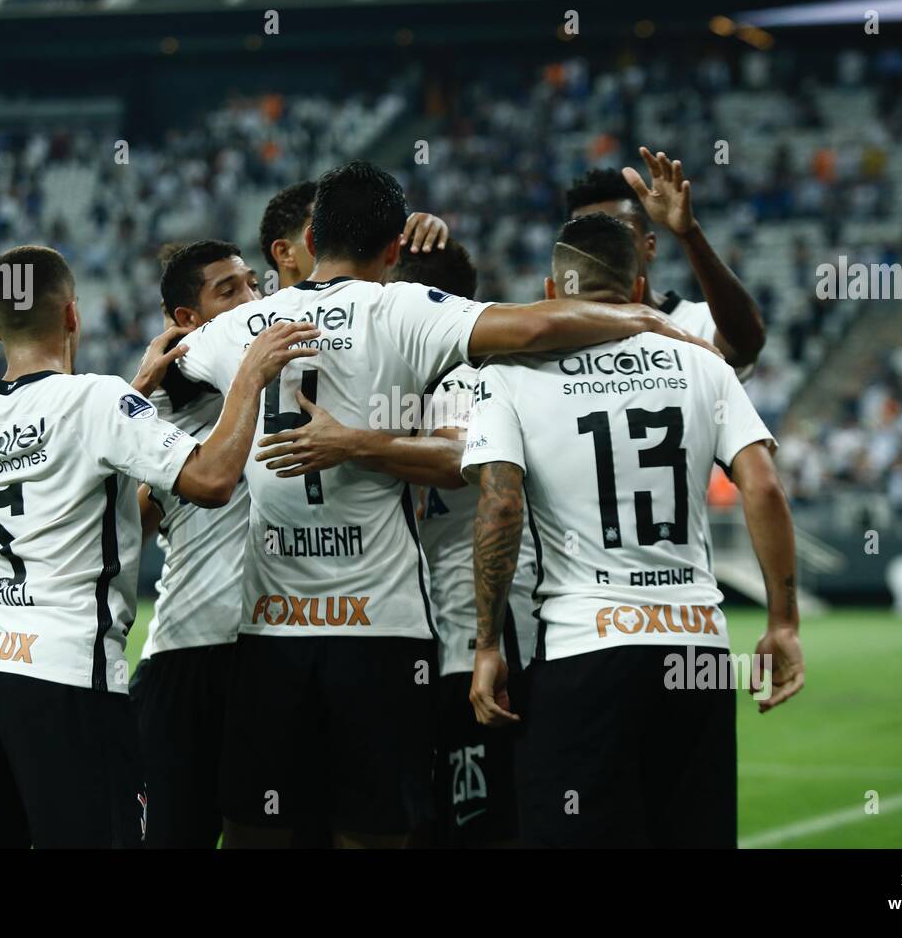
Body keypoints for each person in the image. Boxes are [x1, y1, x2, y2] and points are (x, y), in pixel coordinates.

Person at [176, 160, 719, 849]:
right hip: (381, 631)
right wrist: (642, 315)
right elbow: (527, 331)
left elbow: (166, 370)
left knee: (256, 830)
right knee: (376, 832)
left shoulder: (238, 327)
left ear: (309, 236)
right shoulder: (403, 309)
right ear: (395, 250)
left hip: (269, 629)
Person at [0, 244, 316, 848]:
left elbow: (72, 476)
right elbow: (214, 480)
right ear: (72, 316)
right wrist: (250, 375)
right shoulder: (97, 400)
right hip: (66, 675)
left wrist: (138, 390)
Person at [462, 213, 804, 847]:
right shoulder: (702, 364)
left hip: (586, 649)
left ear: (549, 291)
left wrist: (488, 644)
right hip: (698, 650)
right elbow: (763, 487)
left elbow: (502, 506)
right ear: (641, 289)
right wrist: (782, 621)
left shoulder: (508, 372)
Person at [255, 240, 537, 847]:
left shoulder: (469, 376)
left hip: (479, 641)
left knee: (481, 829)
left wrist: (356, 443)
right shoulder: (395, 377)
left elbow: (473, 458)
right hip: (417, 639)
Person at [128, 240, 261, 848]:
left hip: (271, 649)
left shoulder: (286, 372)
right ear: (185, 320)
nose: (251, 300)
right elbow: (127, 522)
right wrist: (139, 393)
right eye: (229, 291)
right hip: (185, 652)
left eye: (252, 284)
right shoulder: (158, 404)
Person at [564, 150, 766, 374]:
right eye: (587, 239)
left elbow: (746, 344)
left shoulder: (699, 321)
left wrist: (689, 233)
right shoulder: (557, 334)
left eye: (619, 234)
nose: (603, 248)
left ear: (649, 246)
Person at [260, 178, 450, 290]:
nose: (347, 243)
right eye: (327, 233)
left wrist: (436, 246)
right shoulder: (245, 332)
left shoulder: (380, 316)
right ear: (285, 253)